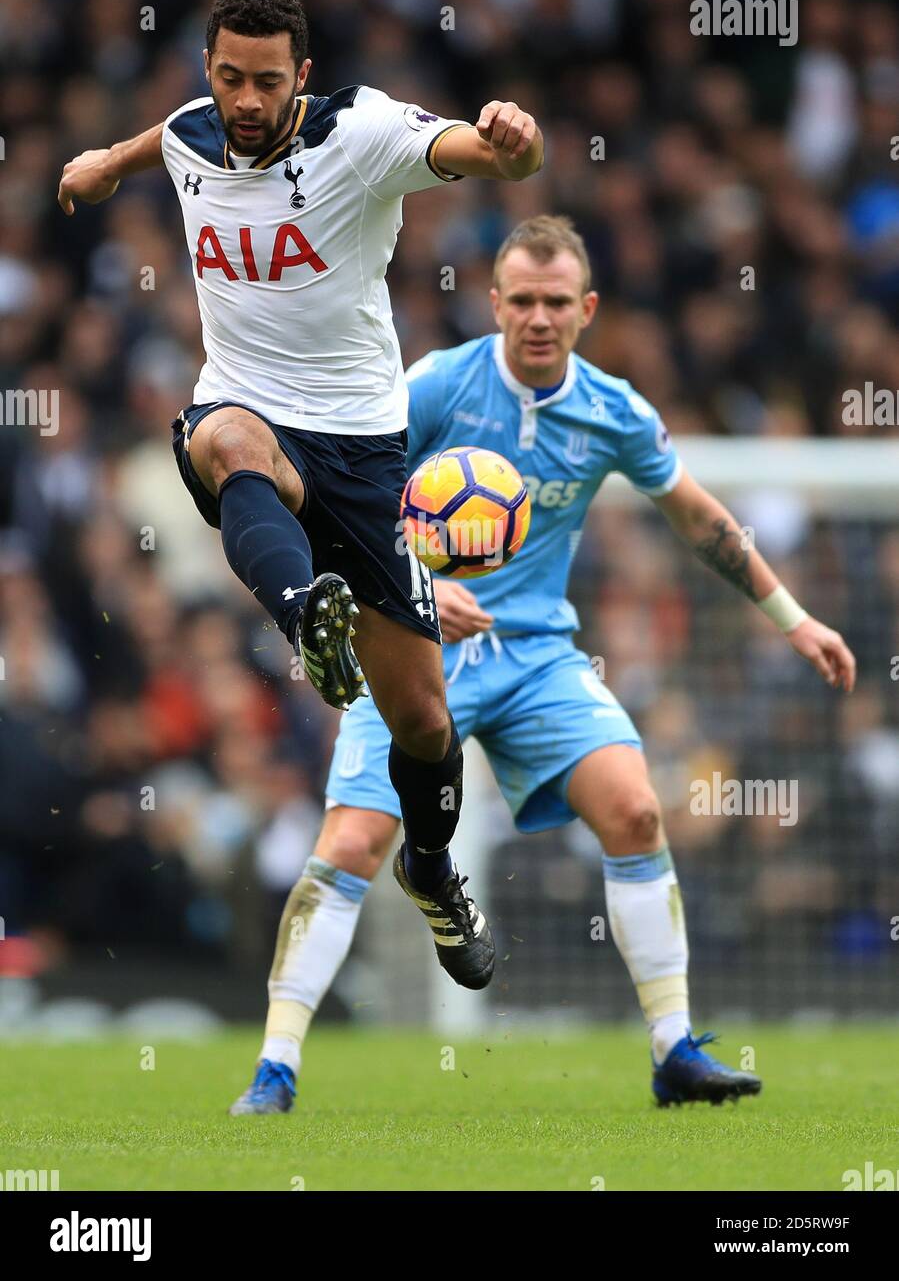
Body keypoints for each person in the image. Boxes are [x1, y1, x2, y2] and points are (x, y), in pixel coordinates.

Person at [232, 214, 857, 1113]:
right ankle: (274, 1071)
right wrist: (412, 586)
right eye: (519, 299)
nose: (536, 316)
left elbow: (694, 515)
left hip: (535, 656)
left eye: (554, 301)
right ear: (492, 304)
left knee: (638, 809)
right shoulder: (435, 388)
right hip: (415, 642)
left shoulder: (611, 410)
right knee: (354, 842)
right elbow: (341, 500)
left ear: (586, 308)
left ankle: (675, 1050)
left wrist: (789, 617)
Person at [56, 0, 544, 1004]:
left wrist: (509, 139)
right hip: (248, 414)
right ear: (208, 68)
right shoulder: (194, 132)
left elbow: (475, 152)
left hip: (364, 456)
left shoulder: (358, 135)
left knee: (421, 722)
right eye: (228, 76)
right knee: (226, 443)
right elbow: (170, 136)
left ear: (302, 78)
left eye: (265, 82)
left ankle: (428, 864)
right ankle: (303, 617)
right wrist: (105, 163)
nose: (243, 100)